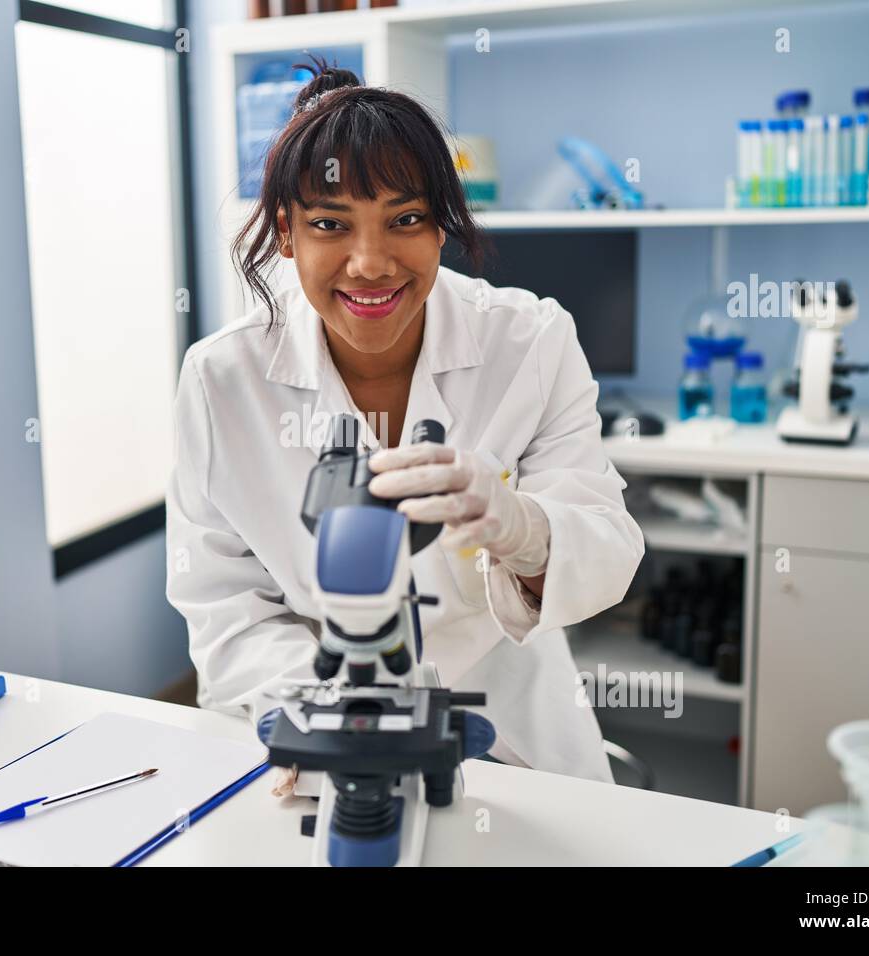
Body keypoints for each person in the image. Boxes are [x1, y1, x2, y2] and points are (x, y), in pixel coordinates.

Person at [166, 62, 643, 785]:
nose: (370, 263)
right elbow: (224, 606)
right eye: (330, 224)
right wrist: (332, 716)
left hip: (514, 738)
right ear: (287, 232)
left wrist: (521, 527)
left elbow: (608, 551)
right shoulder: (221, 381)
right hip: (319, 728)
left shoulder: (531, 341)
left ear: (441, 229)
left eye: (405, 220)